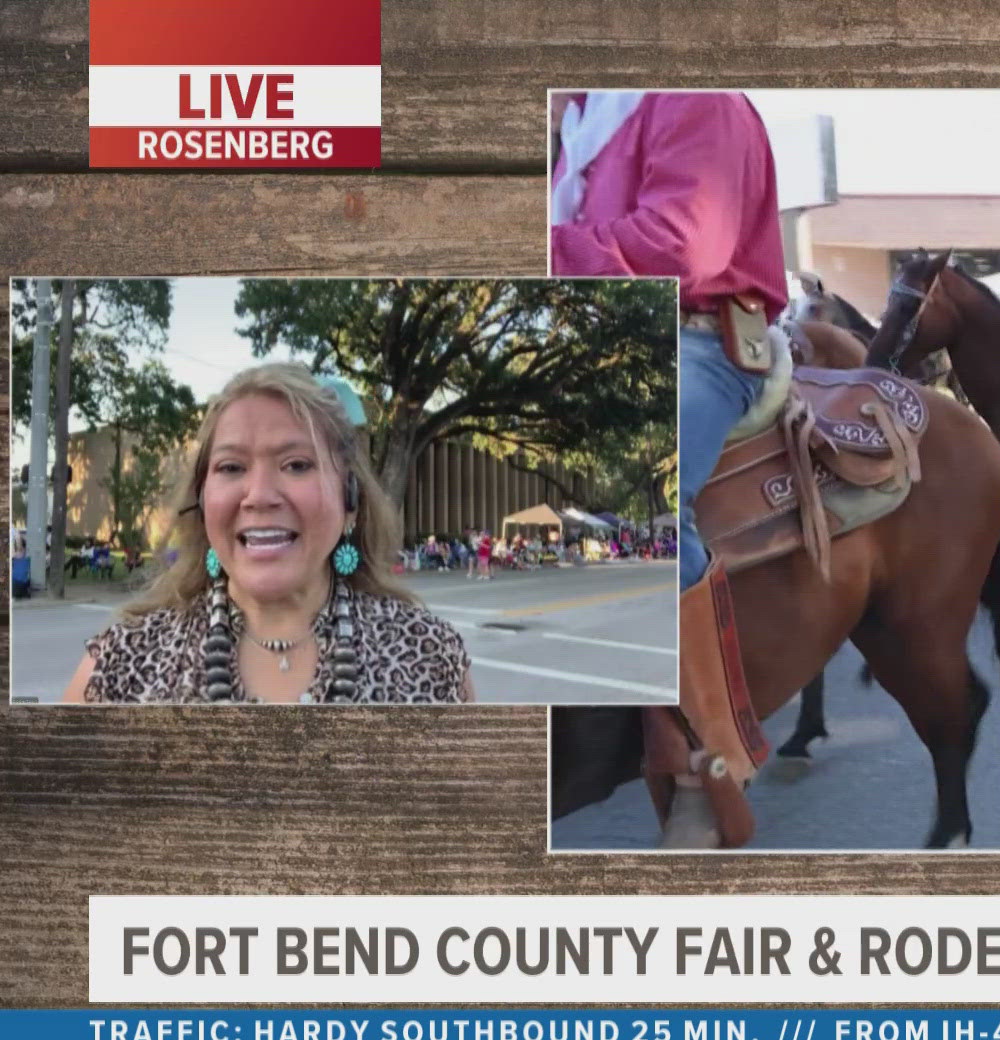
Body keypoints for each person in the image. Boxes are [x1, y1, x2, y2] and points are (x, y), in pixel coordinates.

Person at [549, 90, 787, 846]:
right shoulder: (579, 119)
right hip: (599, 336)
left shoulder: (696, 95)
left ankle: (701, 764)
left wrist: (546, 250)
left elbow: (685, 245)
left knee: (640, 496)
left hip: (697, 335)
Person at [61, 364, 474, 704]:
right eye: (231, 468)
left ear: (350, 498)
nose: (259, 496)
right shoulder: (119, 663)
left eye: (296, 465)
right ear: (202, 500)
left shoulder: (433, 656)